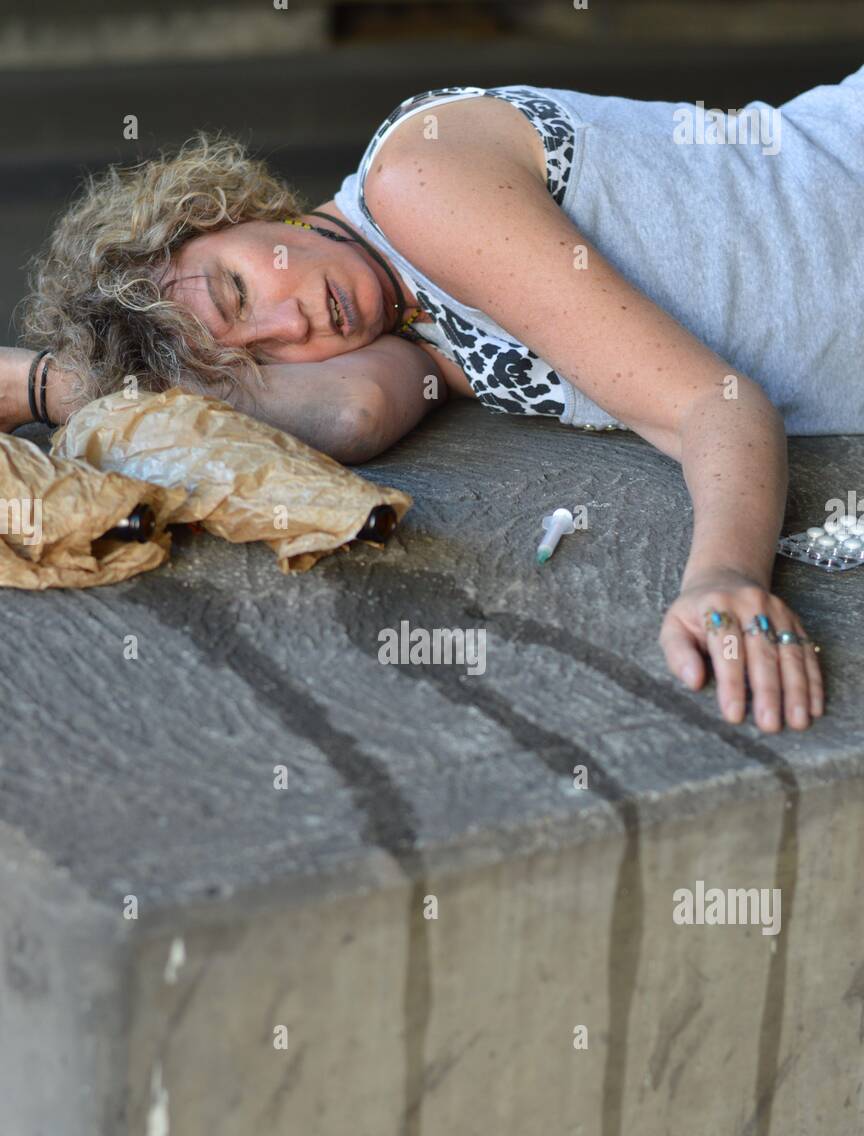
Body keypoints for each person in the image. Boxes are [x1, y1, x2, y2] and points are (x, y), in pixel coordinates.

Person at [4, 70, 861, 731]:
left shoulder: (419, 181)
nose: (291, 322)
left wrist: (724, 575)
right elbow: (349, 419)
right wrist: (52, 383)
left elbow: (715, 404)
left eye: (236, 288)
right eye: (257, 356)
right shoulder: (408, 341)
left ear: (227, 210)